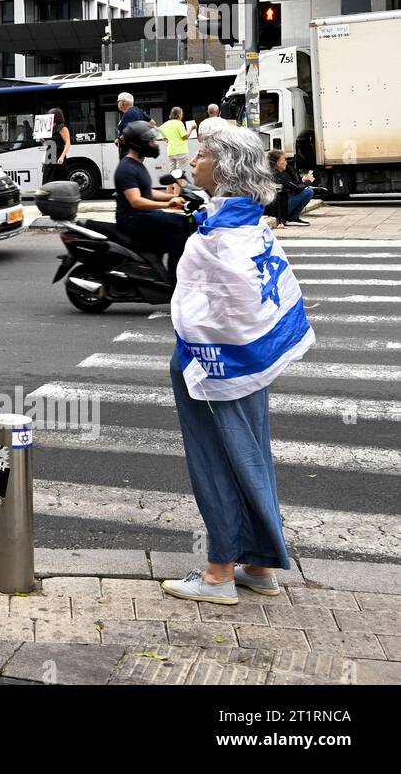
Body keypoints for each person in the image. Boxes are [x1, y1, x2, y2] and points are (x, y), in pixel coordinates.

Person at [160, 126, 314, 605]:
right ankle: (261, 563)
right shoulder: (249, 223)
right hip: (249, 358)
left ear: (224, 170)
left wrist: (193, 349)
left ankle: (218, 572)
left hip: (214, 366)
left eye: (202, 156)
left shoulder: (221, 234)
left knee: (217, 459)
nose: (193, 162)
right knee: (250, 452)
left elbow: (207, 306)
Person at [114, 120, 189, 278]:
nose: (154, 144)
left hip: (140, 216)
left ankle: (157, 264)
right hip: (131, 219)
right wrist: (167, 204)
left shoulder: (137, 164)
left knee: (183, 221)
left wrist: (176, 196)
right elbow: (136, 201)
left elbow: (149, 192)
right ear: (138, 143)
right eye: (150, 141)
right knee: (177, 226)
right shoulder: (126, 168)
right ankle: (174, 278)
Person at [267, 149, 315, 228]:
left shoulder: (274, 172)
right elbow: (296, 188)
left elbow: (290, 185)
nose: (286, 162)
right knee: (308, 191)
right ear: (277, 163)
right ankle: (291, 218)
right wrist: (308, 182)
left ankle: (291, 217)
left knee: (304, 190)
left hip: (277, 206)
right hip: (276, 208)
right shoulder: (275, 175)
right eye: (284, 160)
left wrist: (303, 181)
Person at [40, 107, 71, 184]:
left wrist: (62, 157)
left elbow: (68, 143)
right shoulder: (48, 128)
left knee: (58, 179)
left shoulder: (62, 128)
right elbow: (45, 144)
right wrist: (40, 137)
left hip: (58, 155)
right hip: (49, 155)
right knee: (47, 179)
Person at [158, 107, 191, 177]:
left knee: (172, 173)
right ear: (178, 114)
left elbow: (158, 131)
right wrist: (191, 128)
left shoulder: (166, 124)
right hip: (181, 151)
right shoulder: (179, 123)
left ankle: (169, 188)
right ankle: (177, 188)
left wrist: (165, 139)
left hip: (171, 152)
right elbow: (185, 136)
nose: (182, 115)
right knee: (180, 174)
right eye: (182, 114)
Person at [114, 92, 149, 157]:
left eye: (118, 101)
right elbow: (152, 122)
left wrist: (119, 139)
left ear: (122, 102)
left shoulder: (128, 113)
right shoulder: (138, 111)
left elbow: (131, 130)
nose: (117, 104)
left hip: (129, 151)